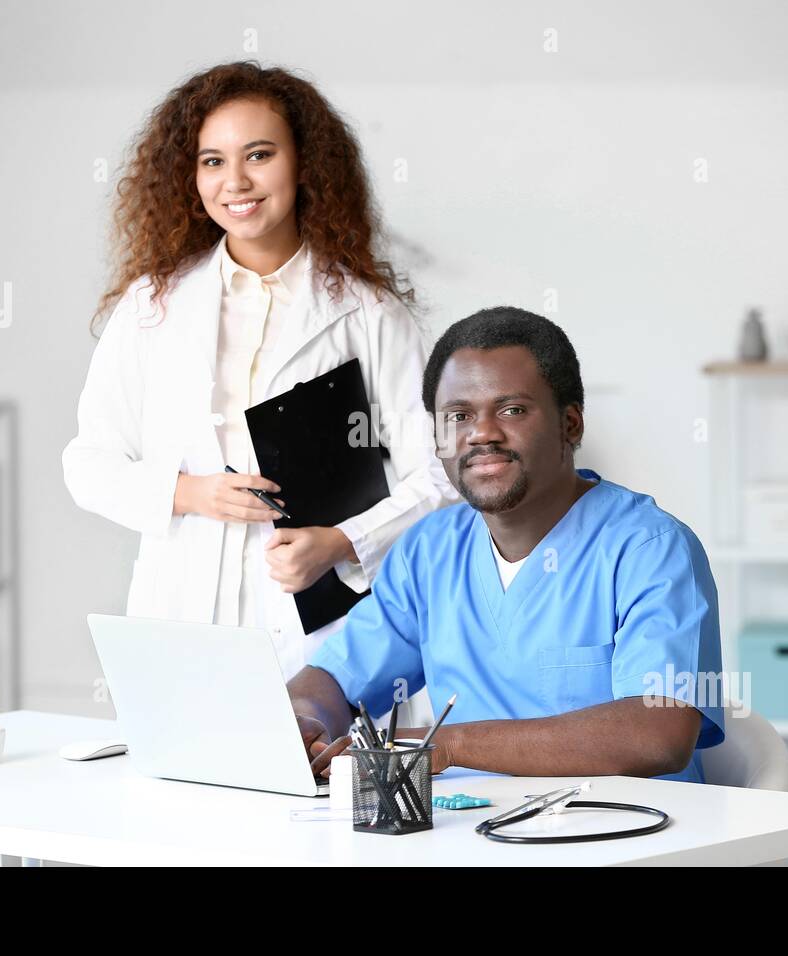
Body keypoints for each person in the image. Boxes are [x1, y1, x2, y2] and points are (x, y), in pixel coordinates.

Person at [63, 62, 456, 678]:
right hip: (180, 618)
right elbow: (88, 465)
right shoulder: (152, 305)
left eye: (260, 154)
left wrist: (345, 543)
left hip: (316, 630)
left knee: (317, 769)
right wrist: (188, 493)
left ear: (304, 164)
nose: (235, 181)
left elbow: (439, 475)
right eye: (212, 161)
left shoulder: (369, 314)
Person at [286, 307, 727, 782]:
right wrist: (304, 717)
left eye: (512, 410)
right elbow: (336, 679)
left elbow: (657, 734)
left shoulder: (650, 548)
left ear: (571, 424)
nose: (481, 434)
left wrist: (448, 746)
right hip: (464, 837)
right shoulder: (430, 552)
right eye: (458, 416)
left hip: (624, 838)